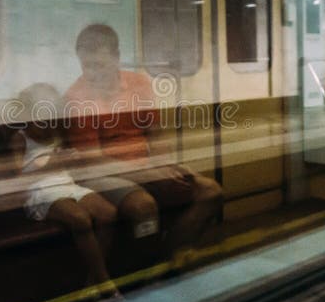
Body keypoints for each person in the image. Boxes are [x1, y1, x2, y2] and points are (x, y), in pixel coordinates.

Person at [64, 24, 223, 253]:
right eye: (86, 66)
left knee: (210, 192)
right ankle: (145, 270)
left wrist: (166, 165)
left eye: (99, 65)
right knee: (143, 207)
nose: (92, 74)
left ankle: (167, 256)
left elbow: (155, 134)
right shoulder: (76, 97)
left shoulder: (139, 84)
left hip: (145, 166)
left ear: (117, 58)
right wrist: (149, 173)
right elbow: (93, 162)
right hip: (103, 174)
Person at [12, 83, 120, 298]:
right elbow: (17, 180)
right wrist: (49, 164)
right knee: (80, 219)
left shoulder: (57, 135)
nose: (45, 125)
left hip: (66, 183)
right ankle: (105, 282)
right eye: (40, 118)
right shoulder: (20, 138)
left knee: (108, 213)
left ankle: (91, 285)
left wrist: (71, 160)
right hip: (40, 189)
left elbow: (67, 165)